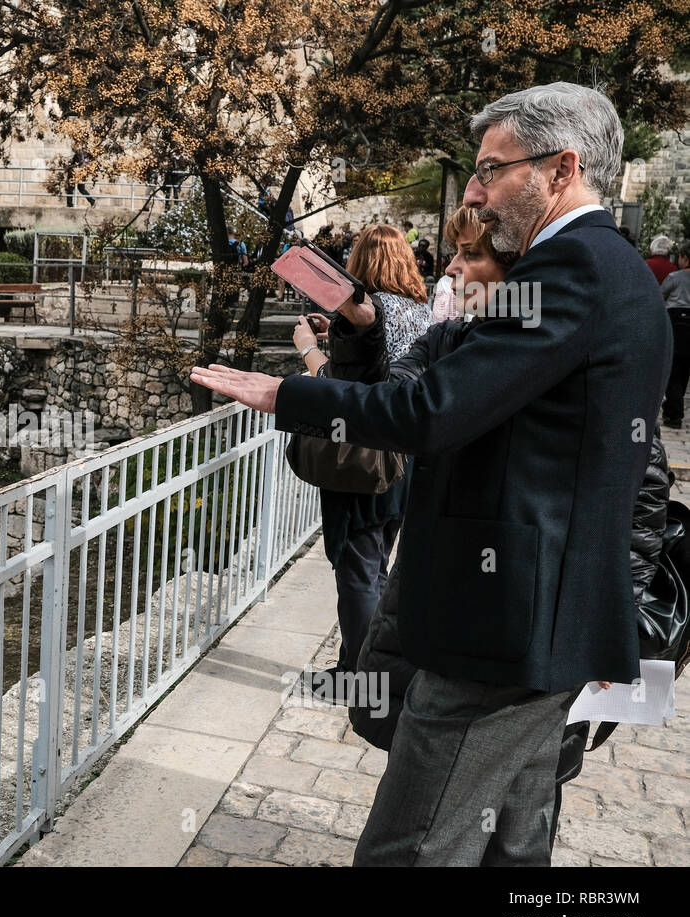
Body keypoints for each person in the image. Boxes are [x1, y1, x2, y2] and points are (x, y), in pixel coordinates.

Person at [190, 81, 671, 865]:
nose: (476, 193)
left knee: (407, 849)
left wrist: (286, 393)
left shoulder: (574, 267)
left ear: (561, 169)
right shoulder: (595, 265)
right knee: (511, 849)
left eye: (491, 169)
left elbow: (430, 412)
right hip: (538, 622)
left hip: (506, 628)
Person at [345, 203, 671, 853]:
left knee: (499, 834)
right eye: (455, 255)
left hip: (532, 634)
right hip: (445, 609)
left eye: (471, 258)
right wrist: (357, 341)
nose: (453, 270)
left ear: (519, 274)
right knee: (469, 814)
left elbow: (640, 504)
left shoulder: (580, 358)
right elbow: (382, 424)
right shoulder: (450, 343)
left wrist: (621, 622)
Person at [289, 224, 432, 695]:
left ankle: (358, 677)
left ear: (359, 265)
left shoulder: (377, 313)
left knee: (356, 570)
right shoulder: (420, 311)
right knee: (376, 564)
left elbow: (346, 388)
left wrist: (309, 349)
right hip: (406, 458)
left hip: (364, 458)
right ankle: (368, 663)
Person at [661, 244, 690, 428]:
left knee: (673, 371)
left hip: (677, 323)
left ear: (685, 258)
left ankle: (674, 414)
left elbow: (659, 294)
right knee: (685, 370)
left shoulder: (675, 277)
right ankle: (674, 406)